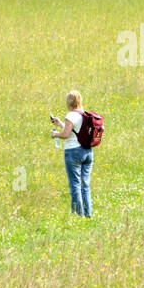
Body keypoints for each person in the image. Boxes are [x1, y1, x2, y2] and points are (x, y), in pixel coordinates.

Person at [50, 90, 93, 218]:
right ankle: (88, 214)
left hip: (73, 152)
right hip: (88, 152)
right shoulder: (85, 114)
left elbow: (66, 134)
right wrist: (61, 124)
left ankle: (78, 216)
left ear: (69, 102)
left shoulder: (71, 115)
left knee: (75, 184)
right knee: (85, 185)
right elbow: (76, 130)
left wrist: (55, 134)